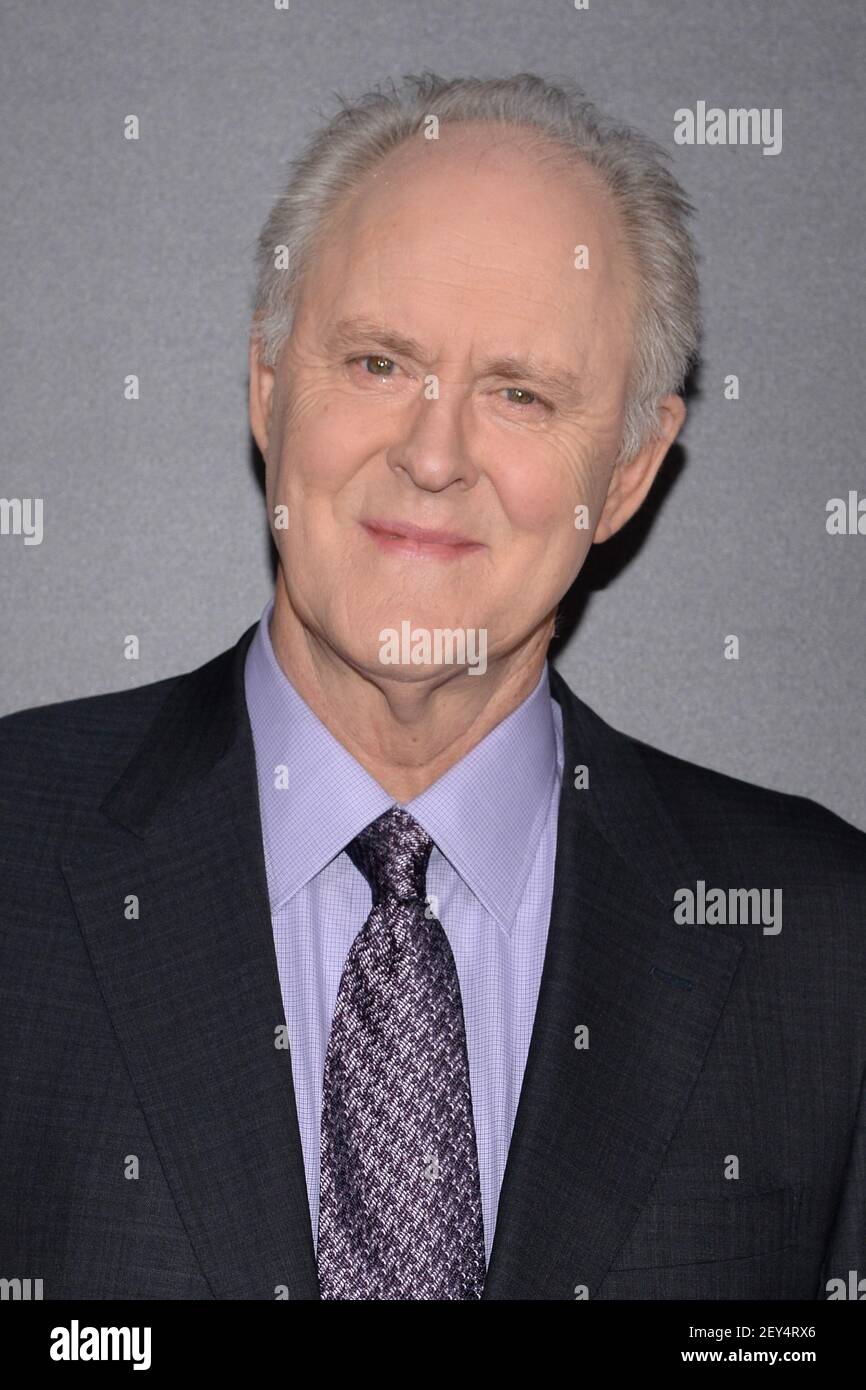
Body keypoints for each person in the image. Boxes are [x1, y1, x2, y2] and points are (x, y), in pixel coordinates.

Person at [1, 72, 864, 1301]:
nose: (433, 451)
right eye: (374, 361)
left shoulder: (820, 950)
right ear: (265, 387)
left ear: (626, 471)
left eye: (518, 393)